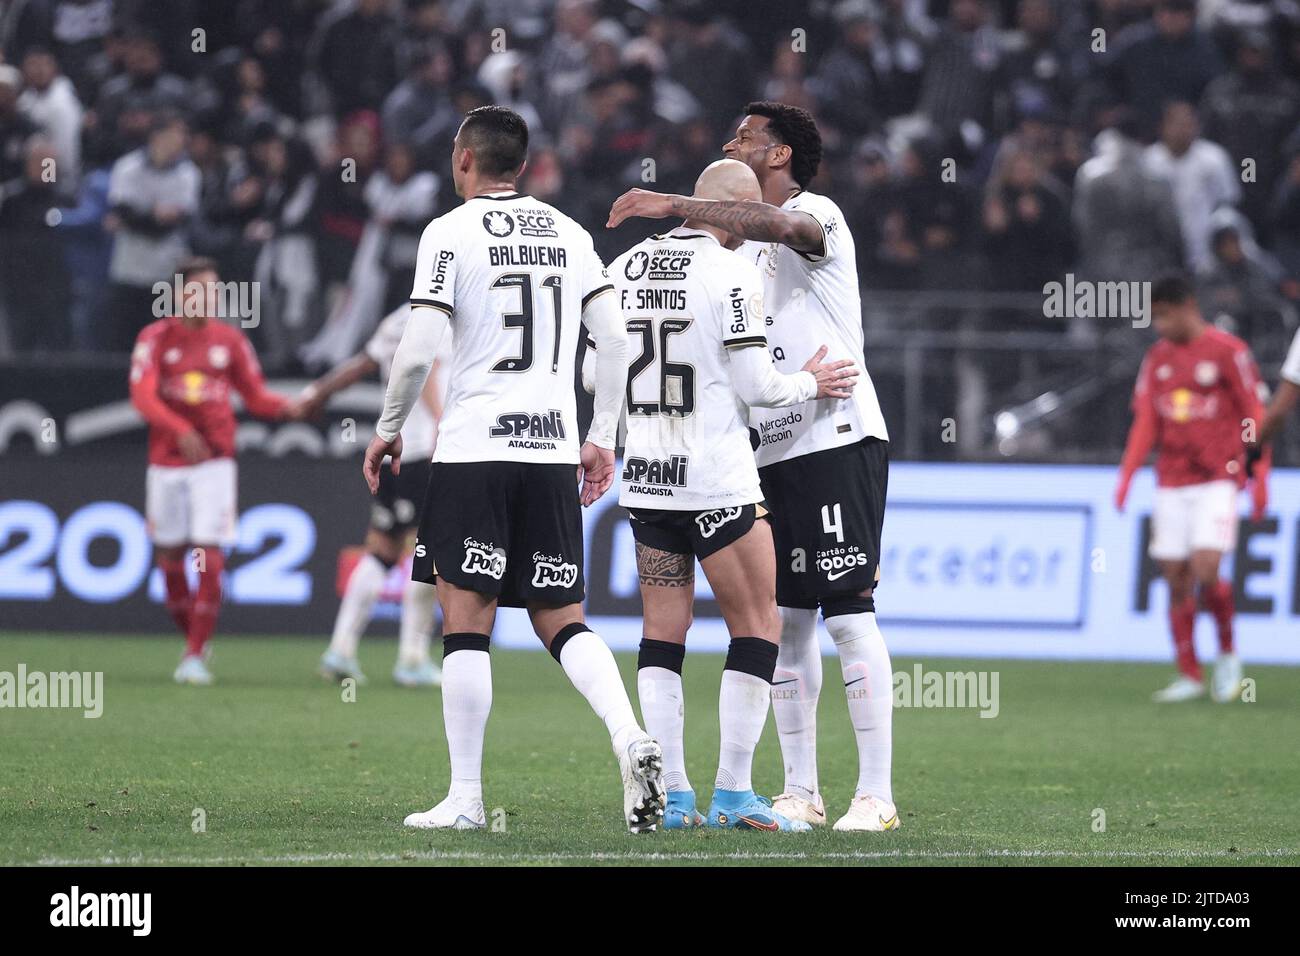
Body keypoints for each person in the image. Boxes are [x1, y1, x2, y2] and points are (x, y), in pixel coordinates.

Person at [362, 106, 664, 833]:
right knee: (562, 617)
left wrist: (388, 430)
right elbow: (618, 344)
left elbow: (416, 348)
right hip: (551, 447)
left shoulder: (449, 231)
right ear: (522, 167)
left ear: (464, 159)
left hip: (473, 448)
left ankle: (465, 798)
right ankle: (631, 737)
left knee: (466, 621)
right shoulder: (567, 231)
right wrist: (601, 436)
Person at [607, 101, 897, 832]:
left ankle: (876, 794)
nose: (732, 140)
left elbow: (784, 229)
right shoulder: (731, 250)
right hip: (764, 447)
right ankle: (801, 787)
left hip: (834, 434)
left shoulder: (816, 215)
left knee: (849, 614)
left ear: (779, 156)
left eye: (746, 136)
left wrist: (672, 203)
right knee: (789, 621)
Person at [128, 257, 307, 684]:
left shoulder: (229, 341)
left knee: (209, 556)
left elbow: (256, 396)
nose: (207, 298)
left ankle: (193, 654)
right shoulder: (154, 339)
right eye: (198, 289)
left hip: (215, 461)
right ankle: (195, 640)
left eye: (213, 290)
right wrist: (179, 427)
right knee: (171, 557)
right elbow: (142, 396)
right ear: (178, 295)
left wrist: (288, 407)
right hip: (167, 462)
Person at [1114, 274, 1268, 703]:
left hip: (1218, 477)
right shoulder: (1157, 360)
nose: (1159, 325)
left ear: (1187, 307)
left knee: (1206, 568)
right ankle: (1189, 673)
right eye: (1154, 317)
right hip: (1170, 479)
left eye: (1164, 315)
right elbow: (1146, 421)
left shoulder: (1228, 353)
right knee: (1175, 578)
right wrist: (1127, 475)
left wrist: (1259, 474)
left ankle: (1228, 656)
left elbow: (1253, 414)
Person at [304, 304, 450, 688]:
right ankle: (412, 658)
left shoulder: (399, 317)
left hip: (390, 449)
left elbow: (361, 365)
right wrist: (441, 422)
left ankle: (340, 650)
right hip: (426, 450)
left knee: (382, 550)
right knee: (429, 552)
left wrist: (318, 393)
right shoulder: (448, 313)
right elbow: (430, 368)